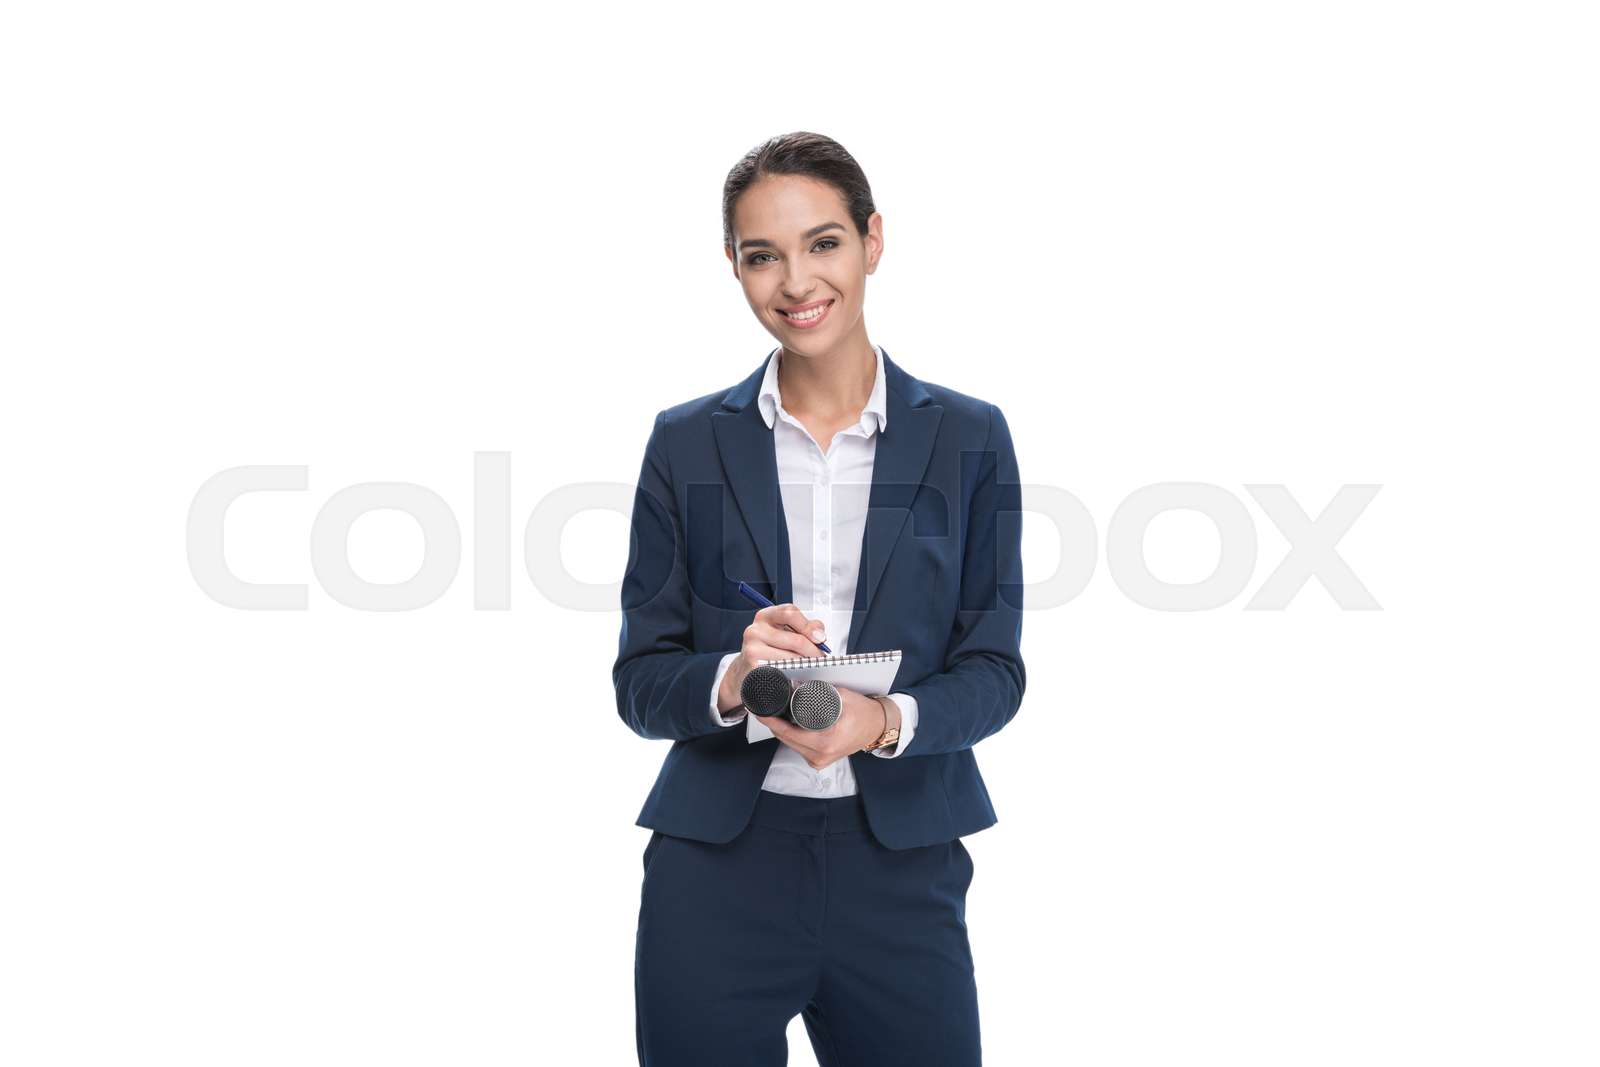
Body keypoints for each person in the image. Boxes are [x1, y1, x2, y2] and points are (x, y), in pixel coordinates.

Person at [613, 131, 1025, 1066]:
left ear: (873, 240)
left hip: (902, 865)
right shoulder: (685, 443)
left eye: (824, 243)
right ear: (734, 266)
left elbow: (995, 670)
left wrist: (880, 719)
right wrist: (733, 675)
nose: (796, 281)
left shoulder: (970, 437)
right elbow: (640, 681)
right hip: (716, 869)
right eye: (763, 255)